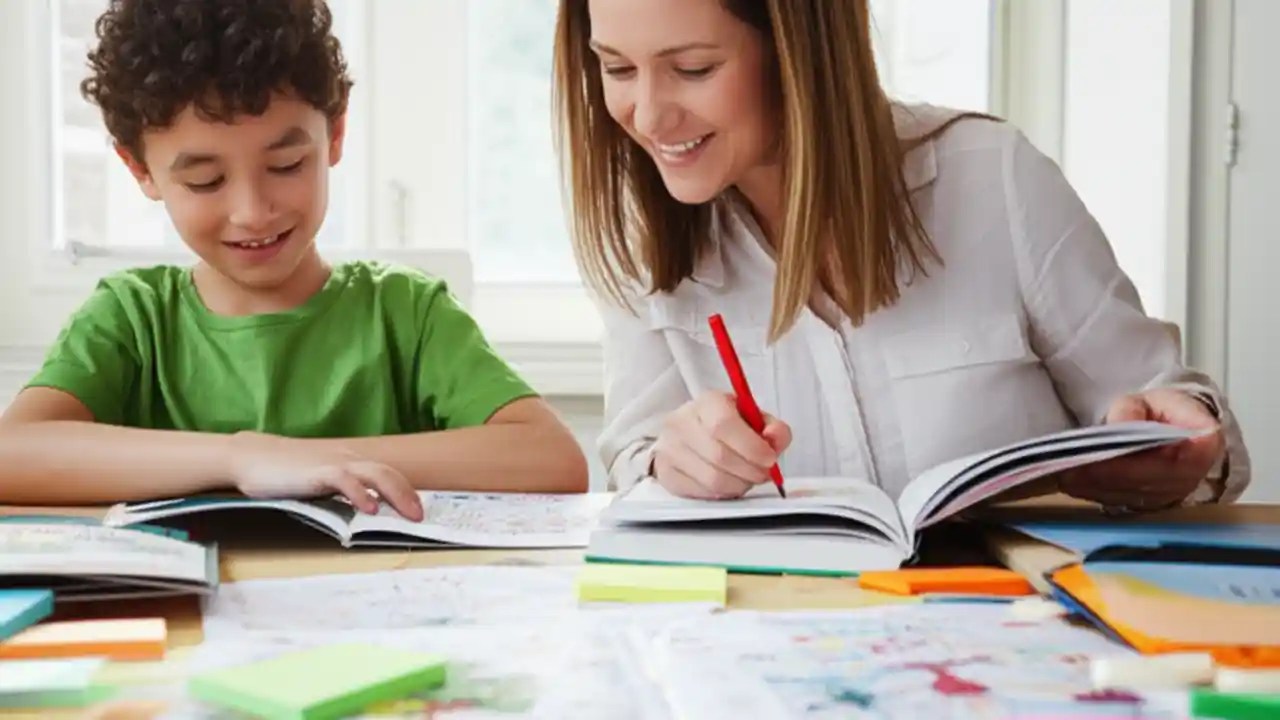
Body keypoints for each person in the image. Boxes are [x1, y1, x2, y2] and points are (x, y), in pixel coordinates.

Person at [553, 0, 1249, 509]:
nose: (647, 115)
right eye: (615, 68)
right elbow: (634, 467)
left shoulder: (991, 178)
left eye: (693, 69)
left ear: (801, 53)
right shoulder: (643, 231)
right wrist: (674, 465)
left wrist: (1180, 444)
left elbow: (1181, 413)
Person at [0, 0, 588, 517]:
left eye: (286, 166)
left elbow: (551, 459)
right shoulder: (132, 319)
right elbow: (13, 455)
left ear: (334, 133)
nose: (253, 211)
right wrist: (244, 457)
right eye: (205, 181)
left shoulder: (405, 312)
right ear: (139, 170)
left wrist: (317, 463)